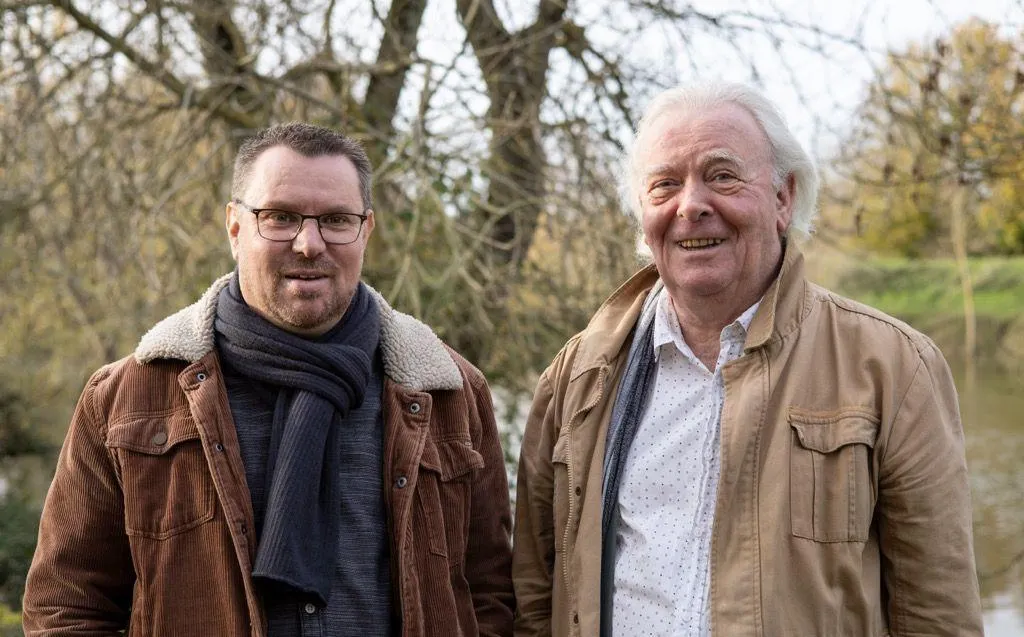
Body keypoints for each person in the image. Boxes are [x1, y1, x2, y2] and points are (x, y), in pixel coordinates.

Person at [512, 82, 982, 637]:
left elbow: (937, 615)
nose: (691, 205)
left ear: (783, 197)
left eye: (722, 175)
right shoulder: (577, 377)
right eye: (664, 185)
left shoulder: (894, 368)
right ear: (643, 214)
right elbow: (535, 599)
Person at [23, 123, 515, 636]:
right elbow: (67, 608)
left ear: (366, 230)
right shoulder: (128, 397)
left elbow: (490, 600)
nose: (309, 243)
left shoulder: (448, 391)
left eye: (336, 220)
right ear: (235, 227)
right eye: (279, 217)